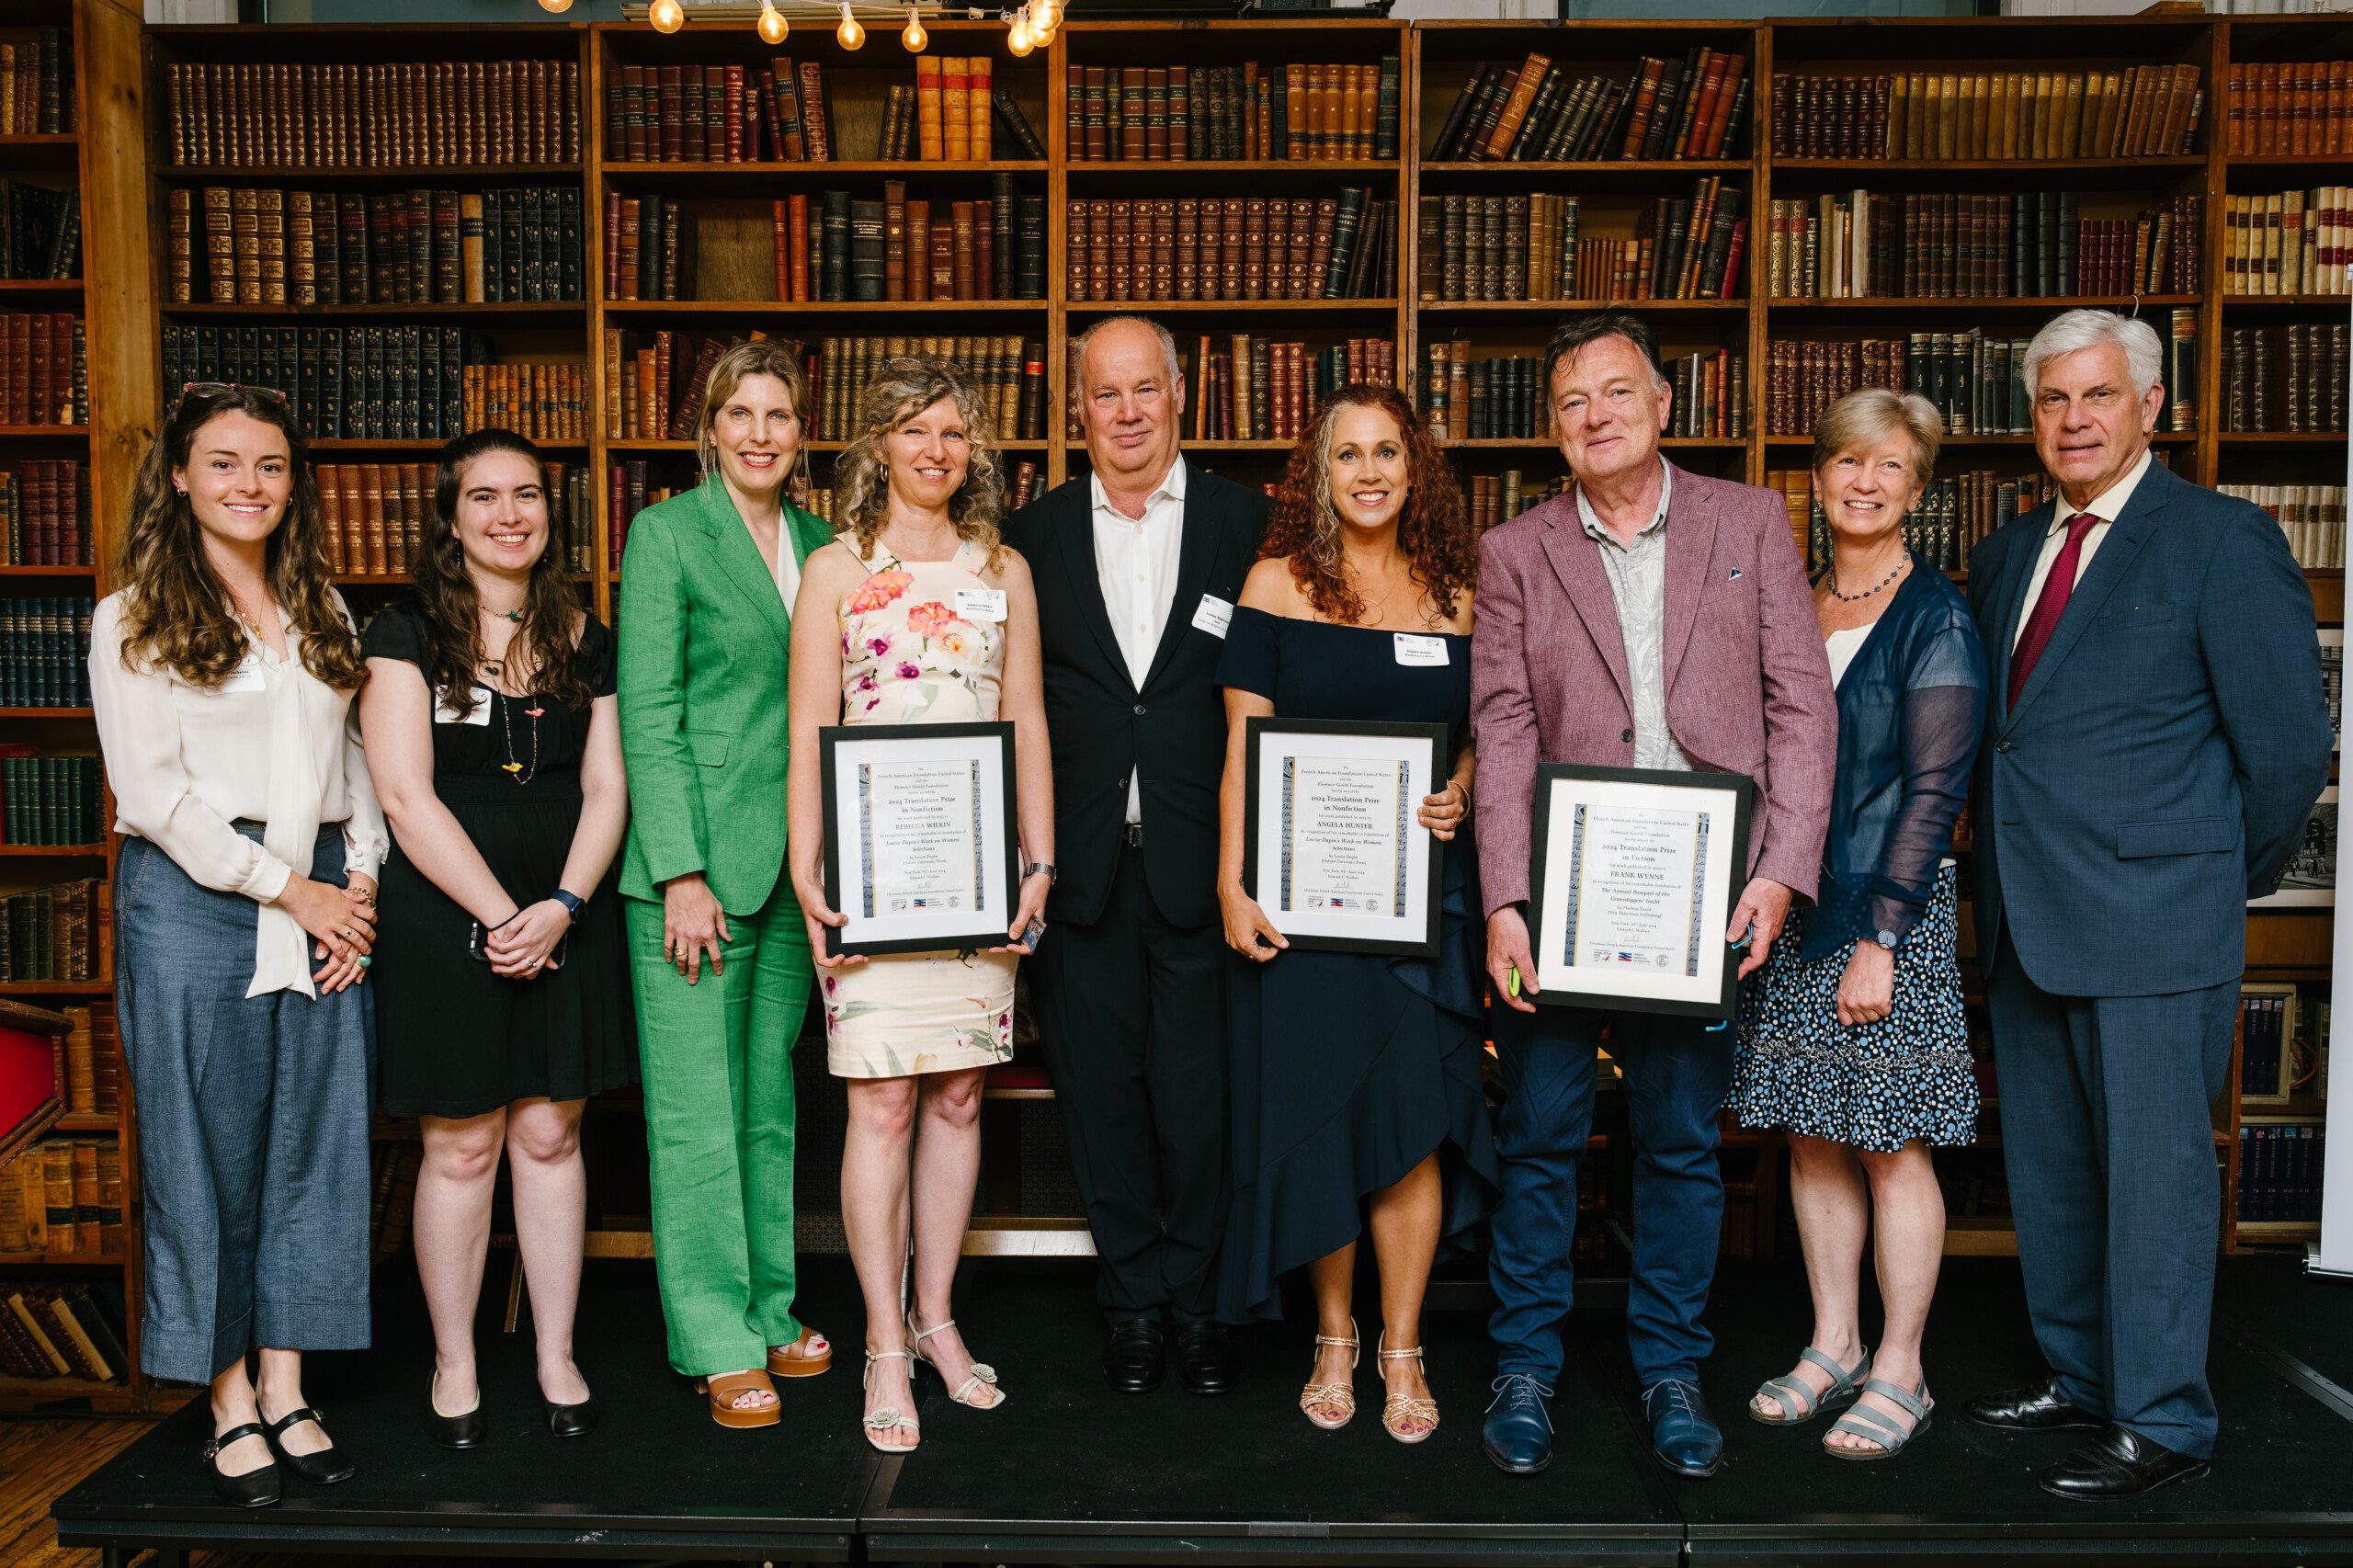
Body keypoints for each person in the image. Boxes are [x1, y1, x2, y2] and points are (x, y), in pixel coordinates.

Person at [1963, 309, 2331, 1499]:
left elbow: (2288, 751)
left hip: (2158, 920)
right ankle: (2082, 1376)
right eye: (2053, 399)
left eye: (2098, 395)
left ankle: (2165, 1417)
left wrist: (2208, 877)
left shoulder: (2222, 539)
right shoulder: (2006, 555)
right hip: (2027, 916)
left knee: (2157, 1181)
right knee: (2056, 1171)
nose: (2073, 419)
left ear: (2150, 406)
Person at [1471, 309, 1837, 1481]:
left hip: (1702, 900)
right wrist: (1504, 898)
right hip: (1562, 901)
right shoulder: (1514, 549)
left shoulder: (1749, 518)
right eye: (1572, 401)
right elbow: (1503, 728)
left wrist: (1779, 869)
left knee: (1678, 1144)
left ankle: (1671, 1365)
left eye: (1617, 391)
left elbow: (1800, 704)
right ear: (1553, 427)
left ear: (1664, 402)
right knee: (1538, 1137)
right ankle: (1523, 1364)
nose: (1597, 416)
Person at [89, 383, 385, 1507]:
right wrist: (292, 891)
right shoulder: (129, 616)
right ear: (178, 476)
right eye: (223, 463)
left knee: (317, 1141)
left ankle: (288, 1384)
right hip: (196, 898)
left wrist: (359, 881)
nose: (248, 485)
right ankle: (226, 1400)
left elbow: (353, 761)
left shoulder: (321, 605)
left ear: (292, 482)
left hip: (324, 886)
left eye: (269, 464)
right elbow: (153, 795)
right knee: (199, 1151)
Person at [1213, 383, 1498, 1444]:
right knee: (1320, 1118)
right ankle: (1333, 1334)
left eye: (1387, 451)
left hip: (1418, 904)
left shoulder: (1457, 594)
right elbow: (1241, 747)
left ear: (1414, 467)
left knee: (1412, 1125)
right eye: (1348, 453)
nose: (1369, 471)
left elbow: (1482, 731)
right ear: (1319, 472)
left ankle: (1402, 1343)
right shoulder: (1274, 583)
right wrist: (1230, 882)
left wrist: (1460, 787)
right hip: (1303, 908)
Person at [787, 357, 1054, 1454]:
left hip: (978, 878)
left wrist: (1040, 860)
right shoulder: (834, 568)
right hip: (873, 881)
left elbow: (1026, 718)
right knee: (882, 1104)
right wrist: (808, 870)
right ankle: (883, 1340)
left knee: (954, 1099)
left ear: (970, 449)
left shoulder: (1004, 568)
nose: (934, 449)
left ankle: (938, 1317)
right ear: (879, 447)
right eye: (913, 430)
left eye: (951, 431)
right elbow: (810, 725)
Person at [1002, 316, 1268, 1397]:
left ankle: (1198, 1302)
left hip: (1207, 870)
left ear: (1179, 393)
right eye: (1103, 393)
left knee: (1201, 1105)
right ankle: (1131, 1304)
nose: (1125, 412)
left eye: (1143, 389)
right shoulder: (1029, 536)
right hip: (1080, 872)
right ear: (1077, 409)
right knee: (1101, 1099)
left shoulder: (1248, 524)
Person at [358, 429, 635, 1449]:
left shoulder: (584, 634)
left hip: (568, 908)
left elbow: (608, 785)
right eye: (483, 496)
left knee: (552, 1134)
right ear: (450, 516)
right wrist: (500, 914)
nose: (508, 514)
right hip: (445, 912)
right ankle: (457, 1360)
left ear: (549, 514)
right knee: (463, 1141)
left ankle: (555, 1352)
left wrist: (562, 902)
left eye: (526, 494)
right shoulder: (403, 632)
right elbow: (402, 794)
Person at [1728, 390, 1986, 1461]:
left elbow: (1933, 792)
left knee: (1887, 1141)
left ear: (1915, 489)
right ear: (1817, 477)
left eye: (1888, 466)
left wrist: (1881, 937)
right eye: (1846, 462)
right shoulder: (1792, 598)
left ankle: (1901, 1367)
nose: (1864, 482)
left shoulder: (1936, 616)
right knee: (1811, 1131)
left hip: (1889, 912)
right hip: (1794, 904)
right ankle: (1832, 1342)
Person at [617, 340, 837, 1429]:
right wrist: (681, 870)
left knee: (768, 1111)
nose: (760, 433)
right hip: (694, 874)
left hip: (795, 869)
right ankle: (713, 1337)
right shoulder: (665, 534)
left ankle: (768, 1304)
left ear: (802, 432)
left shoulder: (824, 541)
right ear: (709, 427)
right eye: (740, 413)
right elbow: (648, 710)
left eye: (778, 414)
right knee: (698, 1115)